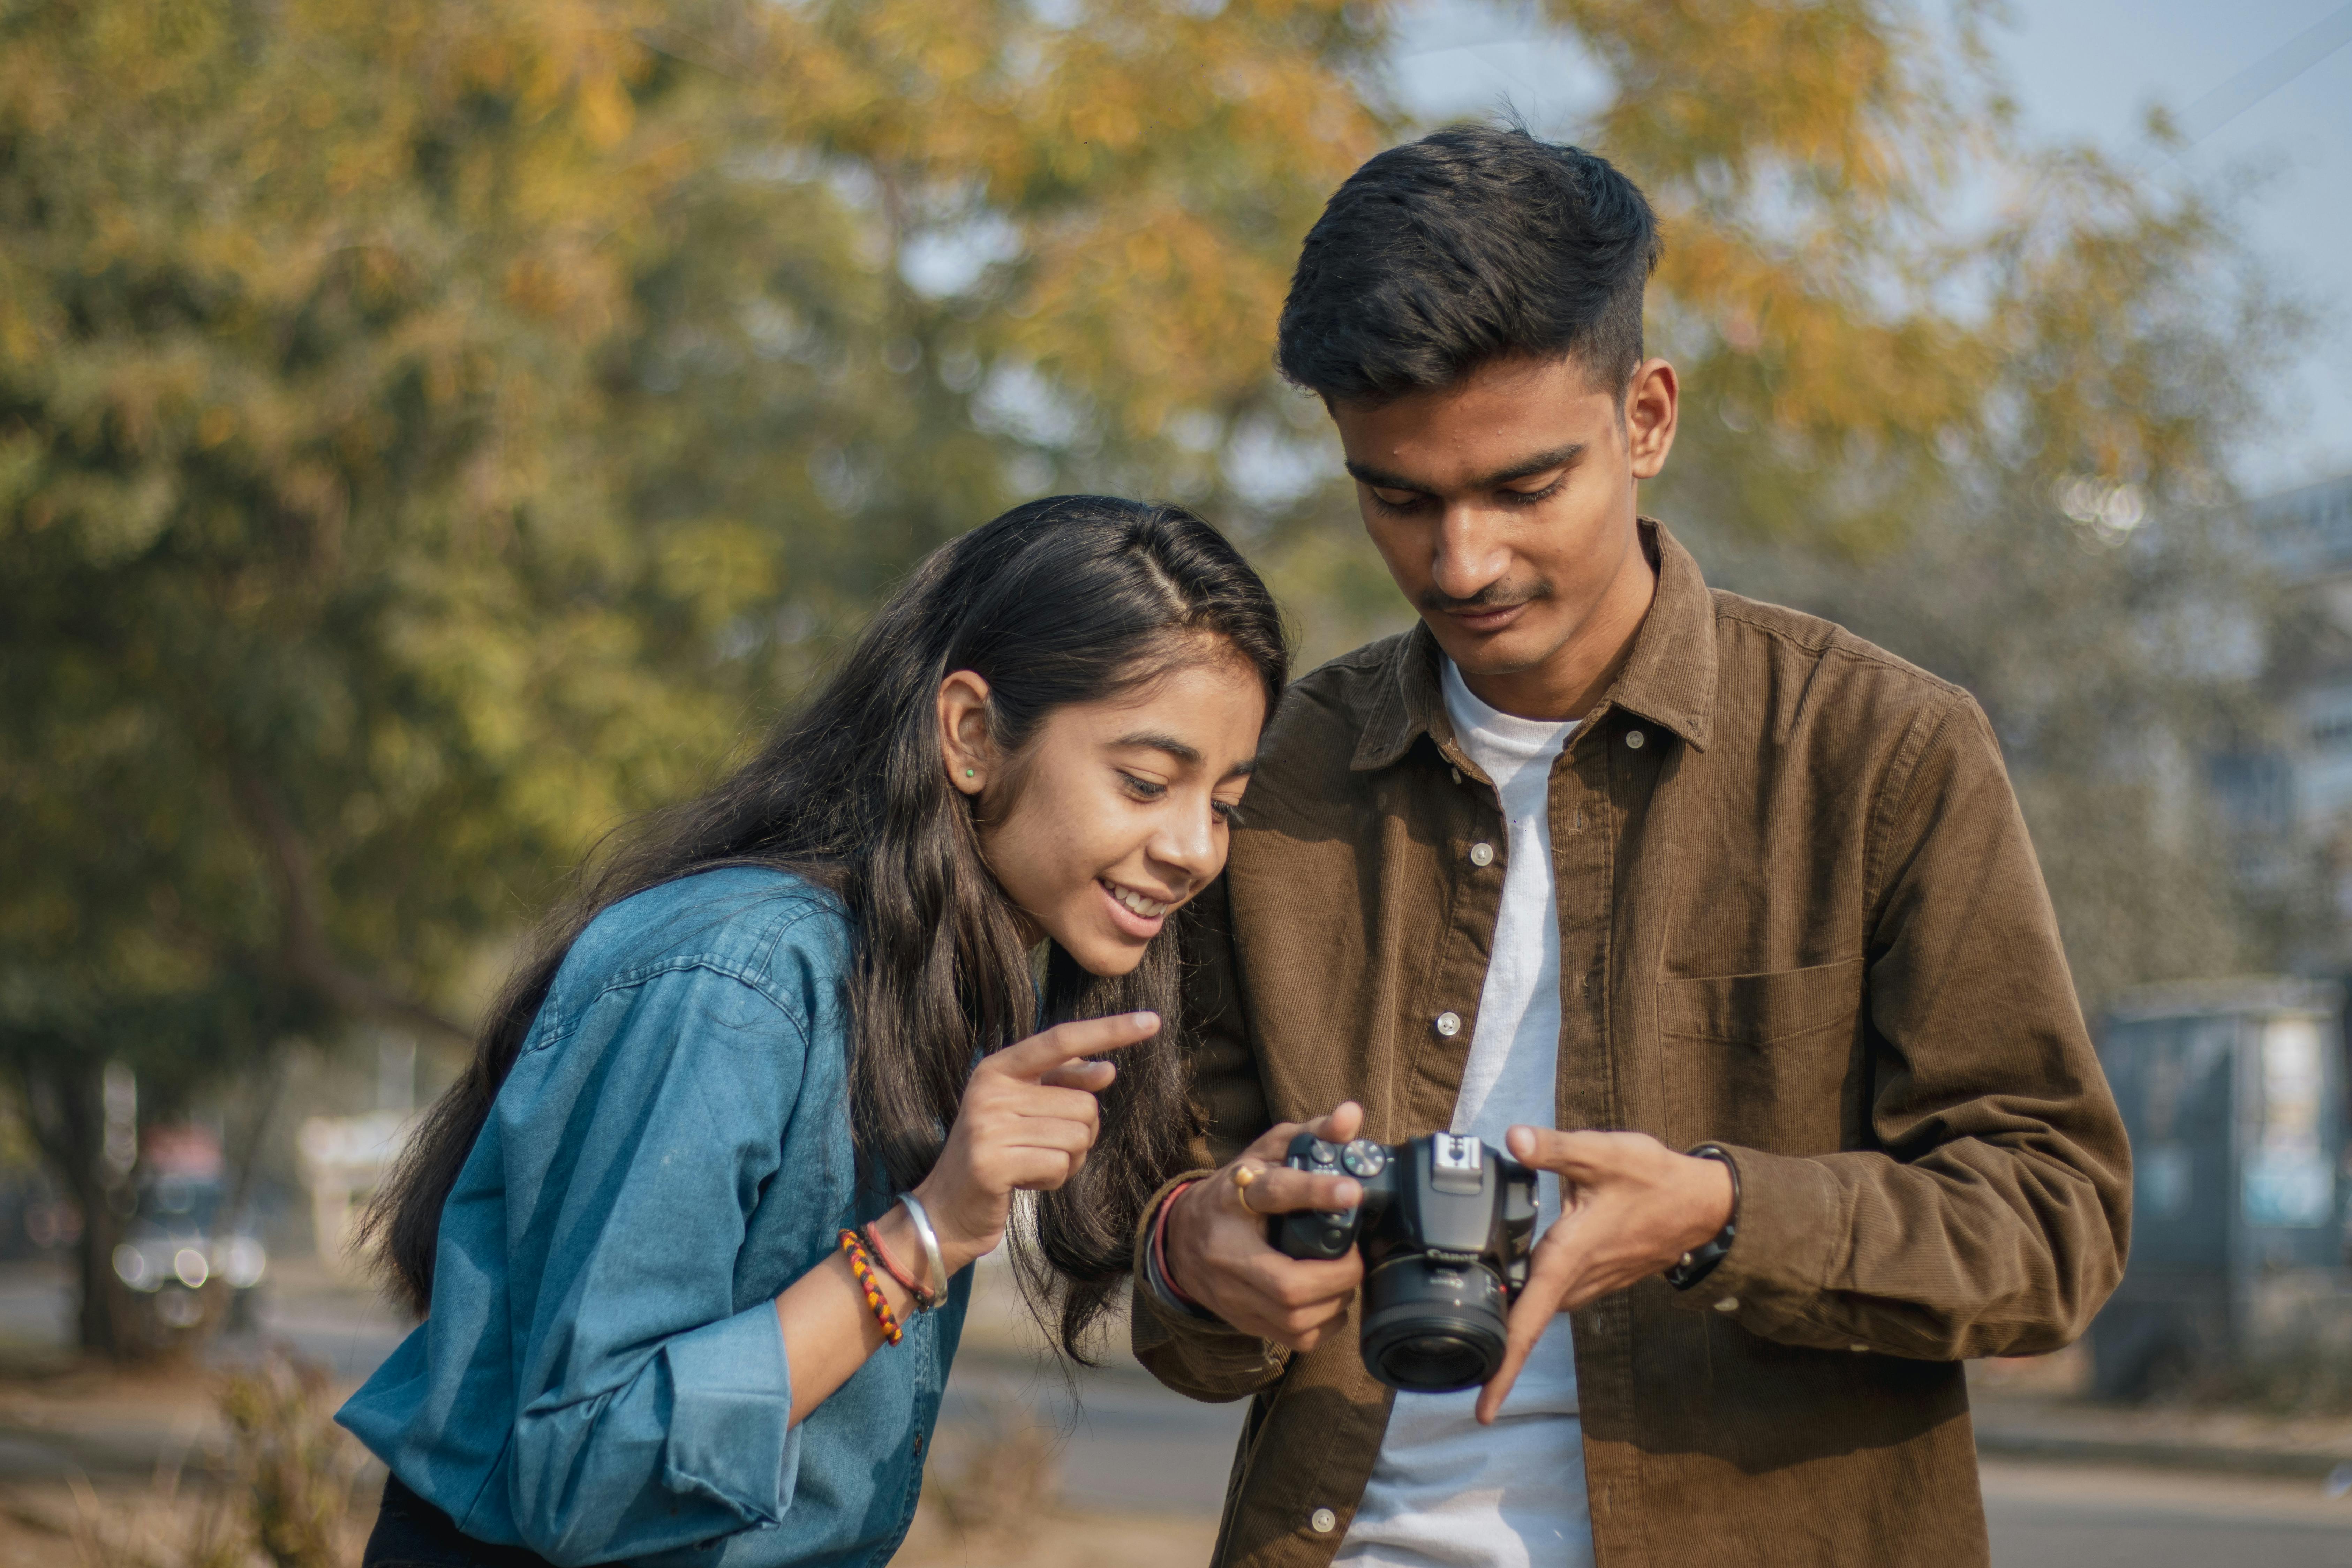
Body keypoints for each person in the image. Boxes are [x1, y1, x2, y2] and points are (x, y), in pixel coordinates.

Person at [1130, 126, 2131, 1567]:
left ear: (1647, 416)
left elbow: (2056, 1221)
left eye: (1523, 488)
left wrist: (1725, 1212)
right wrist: (1193, 1251)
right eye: (1398, 496)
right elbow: (1164, 1222)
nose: (1459, 561)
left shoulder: (1882, 754)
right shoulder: (1277, 778)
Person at [337, 496, 1287, 1568]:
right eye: (1147, 783)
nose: (1194, 848)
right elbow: (587, 1471)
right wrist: (921, 1237)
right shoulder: (740, 981)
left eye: (1225, 803)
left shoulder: (958, 991)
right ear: (971, 735)